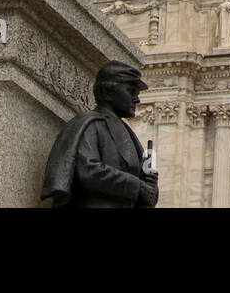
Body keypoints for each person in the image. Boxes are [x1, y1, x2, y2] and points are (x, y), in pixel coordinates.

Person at [41, 62, 159, 208]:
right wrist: (138, 187)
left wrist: (150, 186)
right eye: (130, 91)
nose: (137, 99)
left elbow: (143, 193)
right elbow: (88, 170)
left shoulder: (130, 135)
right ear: (108, 92)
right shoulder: (90, 124)